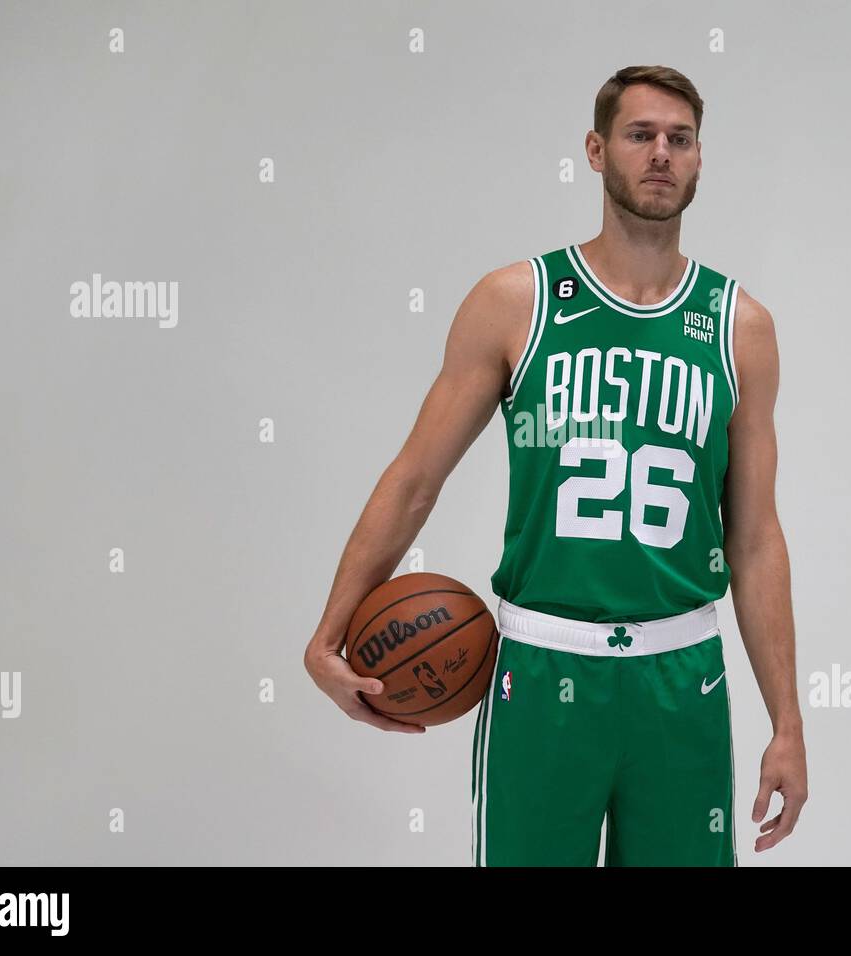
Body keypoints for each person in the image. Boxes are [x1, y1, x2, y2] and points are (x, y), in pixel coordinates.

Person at [305, 65, 806, 866]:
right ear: (596, 149)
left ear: (701, 160)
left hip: (684, 680)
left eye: (680, 140)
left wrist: (787, 722)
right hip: (540, 671)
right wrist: (328, 635)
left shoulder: (740, 327)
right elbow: (414, 479)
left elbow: (753, 537)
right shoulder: (518, 302)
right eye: (641, 135)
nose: (660, 154)